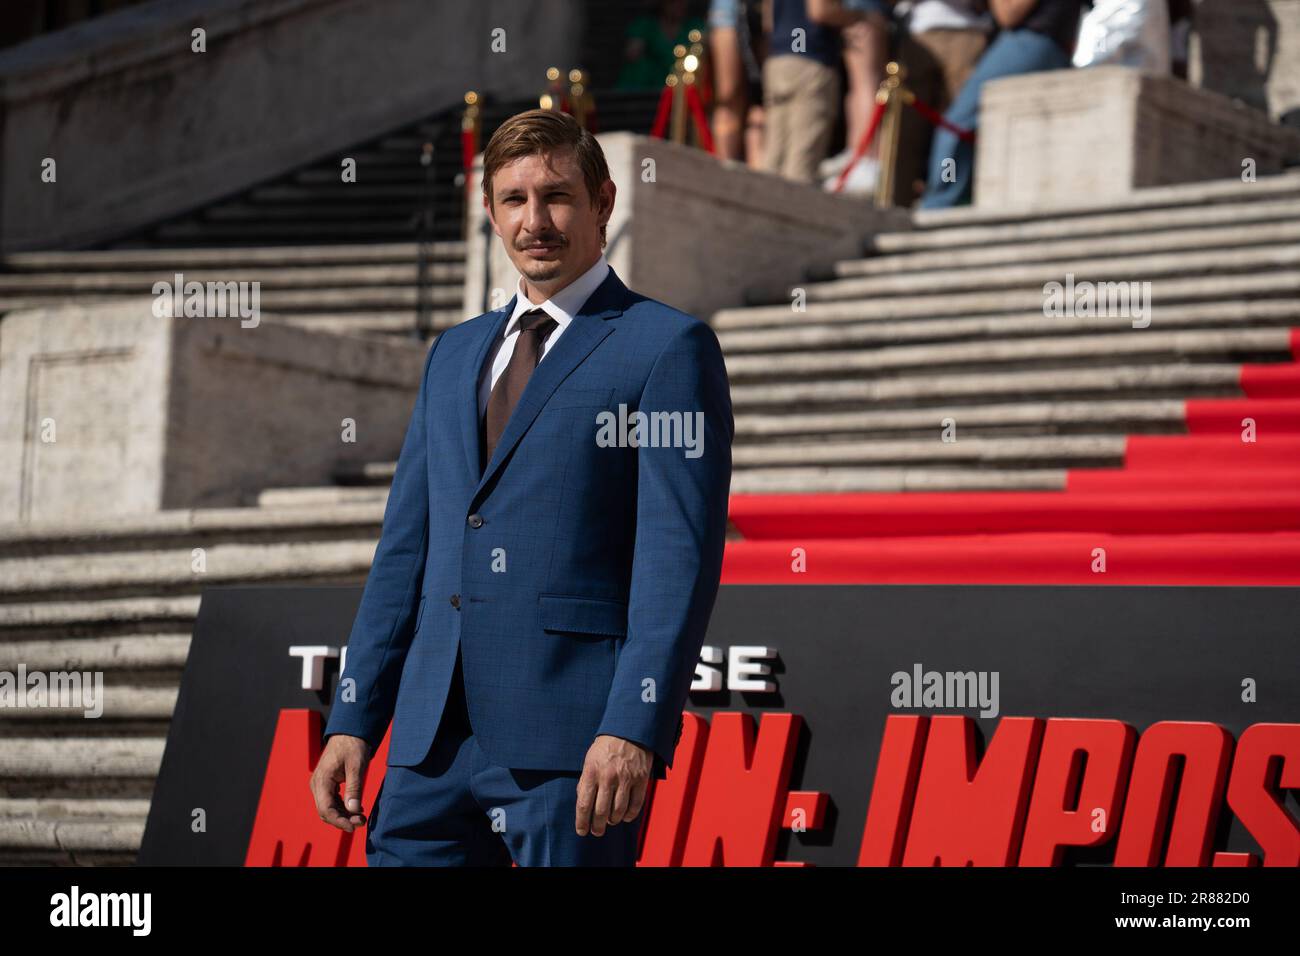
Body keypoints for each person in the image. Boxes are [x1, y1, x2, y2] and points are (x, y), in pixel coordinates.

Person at [309, 109, 734, 866]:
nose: (535, 220)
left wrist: (633, 726)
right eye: (513, 199)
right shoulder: (453, 354)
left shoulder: (666, 348)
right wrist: (353, 718)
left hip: (571, 749)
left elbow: (677, 559)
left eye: (557, 196)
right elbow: (405, 551)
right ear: (489, 212)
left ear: (603, 202)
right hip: (427, 751)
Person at [920, 0, 1088, 208]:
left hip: (1032, 40)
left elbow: (1009, 13)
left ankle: (940, 200)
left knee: (953, 129)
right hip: (1048, 45)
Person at [893, 0, 992, 205]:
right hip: (916, 34)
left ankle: (947, 197)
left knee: (954, 127)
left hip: (967, 33)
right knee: (907, 129)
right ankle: (897, 200)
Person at [808, 0, 894, 193]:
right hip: (862, 8)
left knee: (866, 82)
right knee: (860, 85)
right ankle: (857, 154)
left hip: (863, 8)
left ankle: (869, 158)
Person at [762, 0, 845, 182]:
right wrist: (860, 17)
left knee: (774, 156)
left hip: (779, 57)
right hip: (811, 60)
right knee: (801, 162)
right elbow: (820, 10)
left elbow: (768, 20)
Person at [708, 0, 767, 167]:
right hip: (728, 9)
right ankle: (725, 170)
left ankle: (759, 176)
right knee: (728, 96)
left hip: (764, 8)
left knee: (761, 97)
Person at [616, 0, 709, 90]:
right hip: (651, 84)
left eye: (683, 1)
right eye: (673, 1)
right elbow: (632, 52)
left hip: (685, 85)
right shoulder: (646, 25)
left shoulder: (694, 26)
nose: (679, 5)